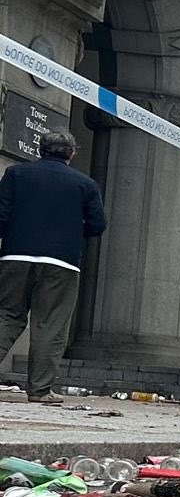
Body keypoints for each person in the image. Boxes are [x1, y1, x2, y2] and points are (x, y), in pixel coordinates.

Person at [0, 131, 108, 403]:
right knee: (50, 325)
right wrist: (72, 232)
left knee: (6, 316)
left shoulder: (16, 174)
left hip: (15, 255)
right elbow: (98, 225)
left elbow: (1, 215)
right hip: (62, 262)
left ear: (40, 149)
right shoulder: (85, 184)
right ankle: (40, 390)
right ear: (72, 153)